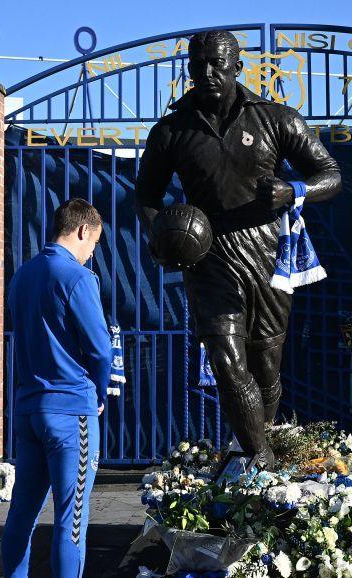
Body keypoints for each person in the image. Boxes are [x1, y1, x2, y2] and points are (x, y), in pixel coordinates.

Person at [135, 30, 341, 469]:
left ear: (235, 67)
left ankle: (258, 449)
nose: (206, 72)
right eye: (197, 65)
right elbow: (146, 197)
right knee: (227, 361)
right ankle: (260, 458)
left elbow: (330, 174)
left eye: (216, 63)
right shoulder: (172, 130)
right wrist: (161, 235)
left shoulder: (276, 119)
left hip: (268, 254)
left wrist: (294, 190)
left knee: (265, 363)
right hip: (207, 255)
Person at [0, 198, 122, 578]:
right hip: (71, 412)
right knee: (72, 520)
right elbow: (100, 348)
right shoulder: (76, 276)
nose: (94, 253)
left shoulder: (23, 276)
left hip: (29, 410)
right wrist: (95, 394)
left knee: (22, 516)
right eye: (95, 243)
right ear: (83, 231)